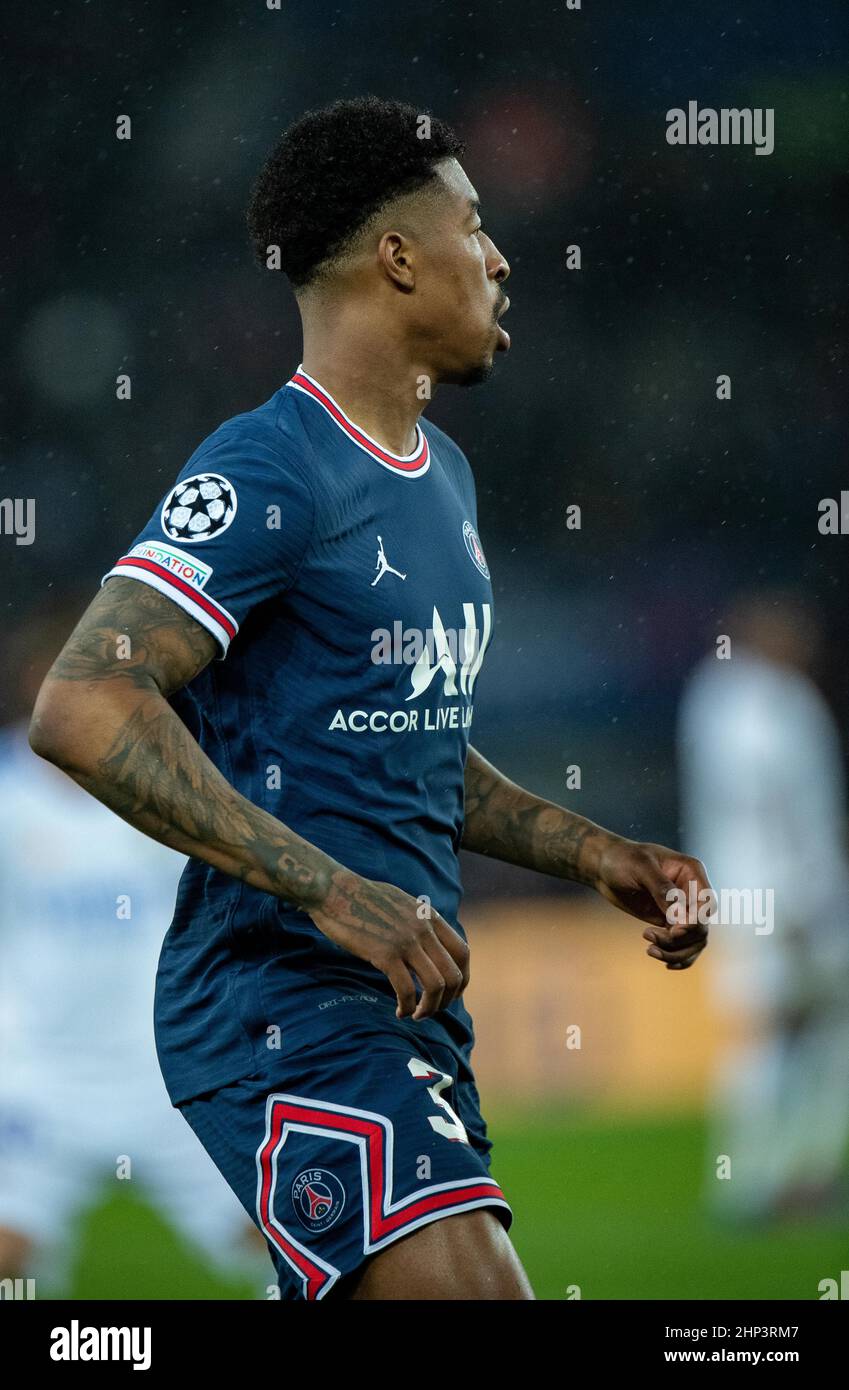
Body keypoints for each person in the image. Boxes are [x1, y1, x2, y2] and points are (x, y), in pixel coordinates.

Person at [29, 96, 709, 1301]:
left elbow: (411, 744)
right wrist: (336, 891)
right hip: (281, 1001)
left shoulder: (442, 476)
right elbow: (83, 704)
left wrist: (590, 851)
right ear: (398, 257)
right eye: (476, 223)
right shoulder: (269, 466)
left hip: (403, 1002)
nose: (500, 257)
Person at [0, 616, 263, 1292]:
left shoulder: (166, 786)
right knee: (7, 1256)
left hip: (163, 1068)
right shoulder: (8, 798)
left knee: (282, 1239)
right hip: (38, 1076)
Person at [678, 592, 849, 1222]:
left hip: (742, 886)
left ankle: (779, 1177)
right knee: (790, 1030)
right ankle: (767, 1179)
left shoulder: (713, 694)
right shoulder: (772, 702)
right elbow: (780, 805)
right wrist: (807, 893)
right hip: (785, 891)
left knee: (785, 1031)